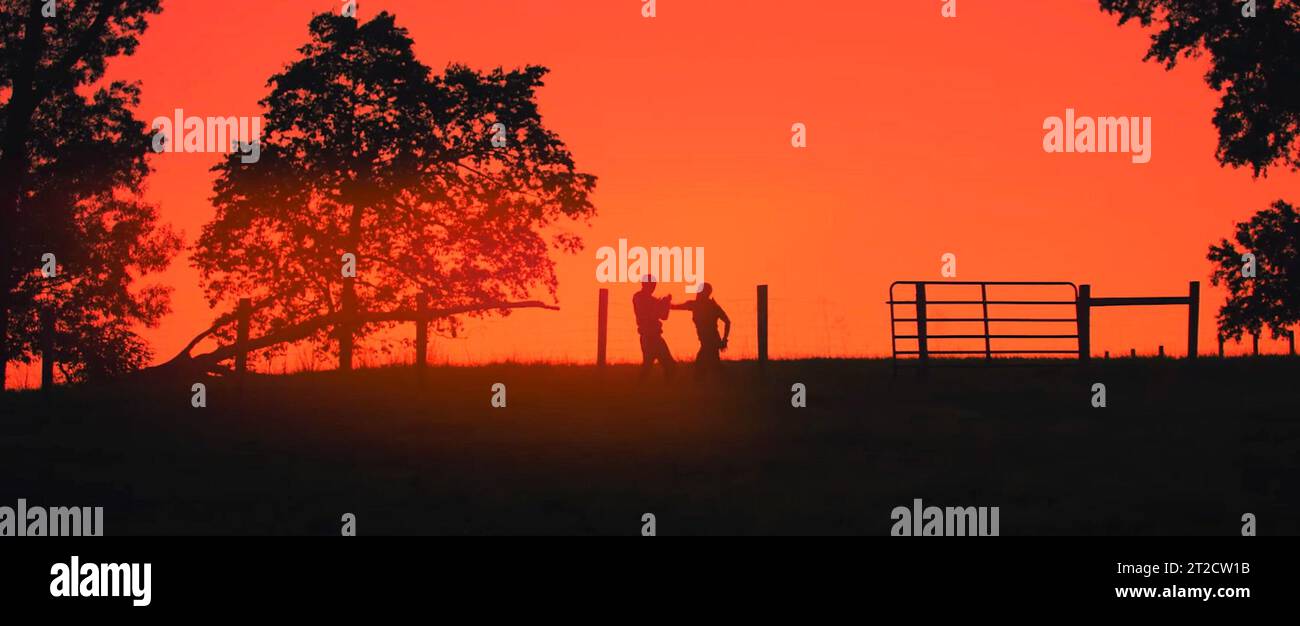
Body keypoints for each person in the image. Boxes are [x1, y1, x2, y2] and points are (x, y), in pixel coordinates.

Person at [672, 282, 731, 380]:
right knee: (714, 365)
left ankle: (702, 385)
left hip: (710, 341)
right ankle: (728, 382)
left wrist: (725, 339)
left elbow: (727, 322)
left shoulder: (710, 306)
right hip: (709, 341)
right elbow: (677, 307)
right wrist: (665, 304)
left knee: (702, 365)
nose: (697, 293)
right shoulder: (697, 305)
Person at [632, 275, 675, 379]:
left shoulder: (650, 299)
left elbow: (664, 316)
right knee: (666, 365)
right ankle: (640, 387)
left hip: (654, 336)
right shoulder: (639, 297)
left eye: (654, 285)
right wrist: (663, 303)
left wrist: (666, 303)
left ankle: (639, 387)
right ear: (645, 284)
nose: (653, 287)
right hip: (649, 336)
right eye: (651, 285)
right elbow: (651, 314)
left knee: (651, 365)